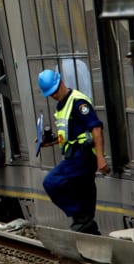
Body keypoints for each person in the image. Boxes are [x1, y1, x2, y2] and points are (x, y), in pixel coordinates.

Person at [37, 69, 109, 235]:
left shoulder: (78, 102)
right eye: (50, 94)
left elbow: (96, 128)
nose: (54, 95)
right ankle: (89, 231)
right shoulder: (61, 105)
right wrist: (51, 141)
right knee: (85, 196)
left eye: (55, 91)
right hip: (74, 154)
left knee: (51, 182)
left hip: (82, 156)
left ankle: (81, 218)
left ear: (61, 82)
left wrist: (100, 158)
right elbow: (71, 133)